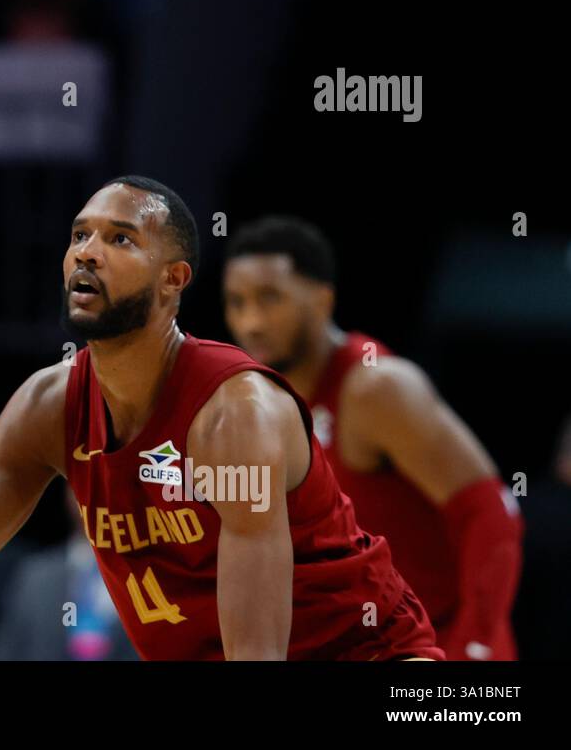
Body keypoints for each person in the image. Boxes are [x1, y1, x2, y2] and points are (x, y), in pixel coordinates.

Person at [0, 177, 442, 660]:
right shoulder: (48, 409)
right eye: (79, 235)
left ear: (173, 279)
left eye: (120, 239)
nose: (87, 253)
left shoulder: (235, 417)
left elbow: (256, 654)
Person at [221, 216, 523, 660]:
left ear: (322, 300)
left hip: (440, 646)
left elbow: (493, 512)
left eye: (270, 298)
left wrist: (474, 645)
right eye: (237, 302)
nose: (252, 321)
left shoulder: (375, 388)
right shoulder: (263, 406)